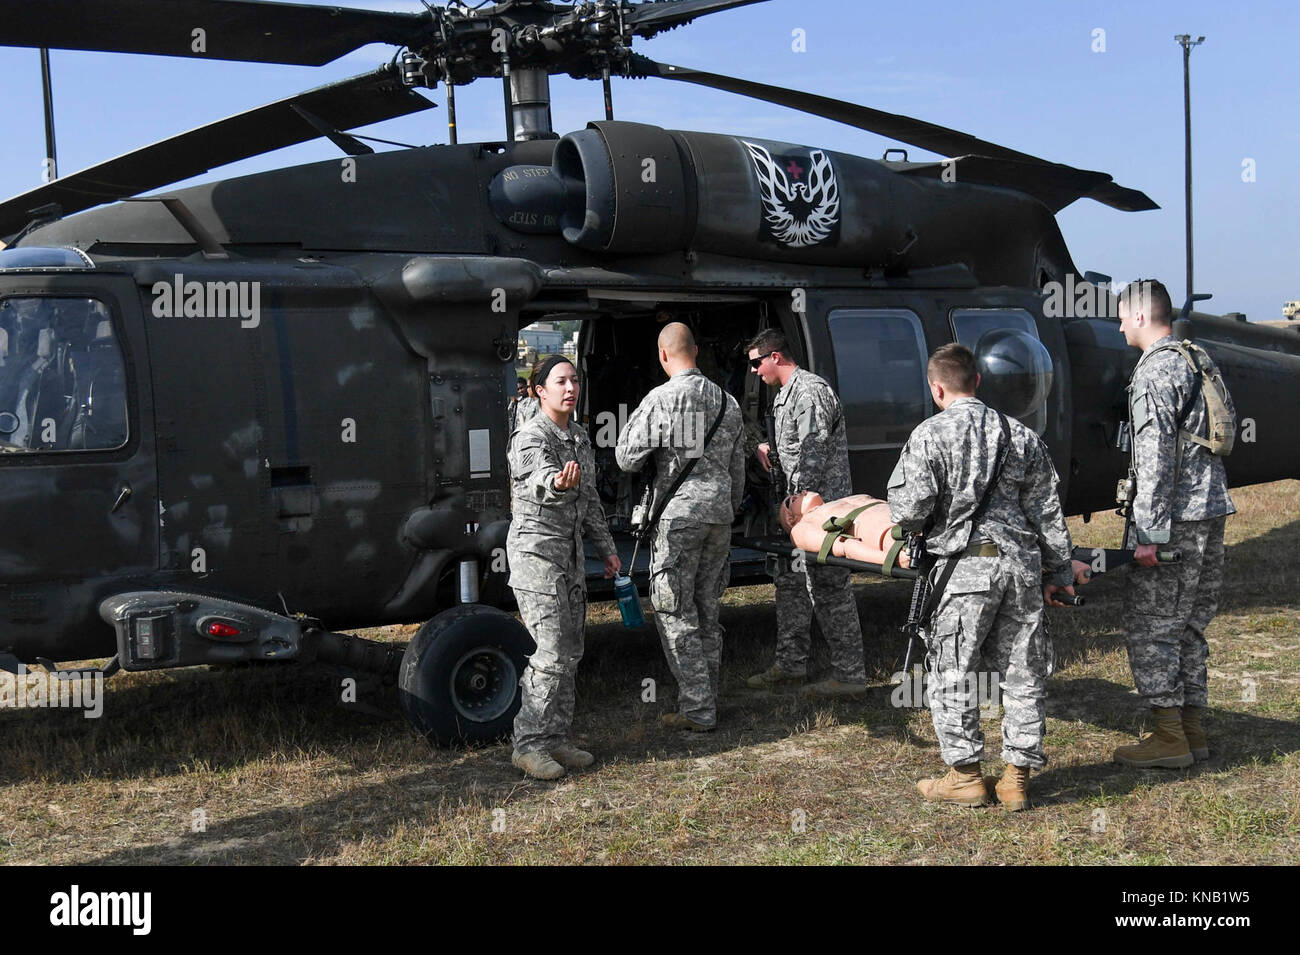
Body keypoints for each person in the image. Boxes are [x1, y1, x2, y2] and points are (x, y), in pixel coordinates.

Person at [888, 343, 1077, 811]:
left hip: (962, 572)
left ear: (937, 388)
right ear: (978, 381)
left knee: (953, 671)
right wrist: (1058, 571)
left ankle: (966, 775)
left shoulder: (929, 436)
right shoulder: (1021, 436)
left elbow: (908, 510)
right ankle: (1016, 778)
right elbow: (1047, 512)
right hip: (1020, 569)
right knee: (1023, 672)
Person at [1113, 279, 1235, 768]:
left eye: (1123, 315)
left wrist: (1149, 535)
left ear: (1141, 317)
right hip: (1209, 508)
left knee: (1152, 625)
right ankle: (1191, 731)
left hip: (1174, 518)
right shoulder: (1194, 358)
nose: (1119, 324)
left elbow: (1156, 457)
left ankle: (1168, 736)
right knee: (1188, 624)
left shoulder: (1156, 372)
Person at [615, 323, 745, 732]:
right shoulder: (729, 403)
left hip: (678, 520)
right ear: (697, 352)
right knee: (708, 610)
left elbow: (625, 456)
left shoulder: (663, 398)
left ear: (663, 355)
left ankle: (698, 707)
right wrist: (726, 505)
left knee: (674, 610)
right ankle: (706, 697)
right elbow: (737, 471)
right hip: (719, 516)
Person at [506, 355, 621, 780]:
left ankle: (556, 738)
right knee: (551, 650)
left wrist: (606, 550)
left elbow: (589, 499)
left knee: (571, 650)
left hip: (570, 556)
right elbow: (540, 479)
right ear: (540, 390)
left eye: (575, 380)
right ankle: (528, 744)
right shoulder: (530, 436)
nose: (570, 389)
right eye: (561, 382)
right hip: (537, 557)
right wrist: (556, 483)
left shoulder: (578, 436)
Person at [744, 330, 868, 698]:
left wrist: (796, 503)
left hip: (820, 514)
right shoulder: (785, 396)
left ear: (776, 357)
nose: (754, 371)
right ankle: (790, 664)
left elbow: (812, 454)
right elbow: (794, 449)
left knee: (830, 591)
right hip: (796, 513)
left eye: (756, 363)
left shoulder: (810, 391)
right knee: (790, 584)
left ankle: (850, 675)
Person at [779, 492, 912, 570]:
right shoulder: (800, 529)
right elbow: (846, 547)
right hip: (894, 539)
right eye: (792, 499)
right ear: (790, 519)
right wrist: (893, 559)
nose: (802, 492)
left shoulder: (839, 502)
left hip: (913, 519)